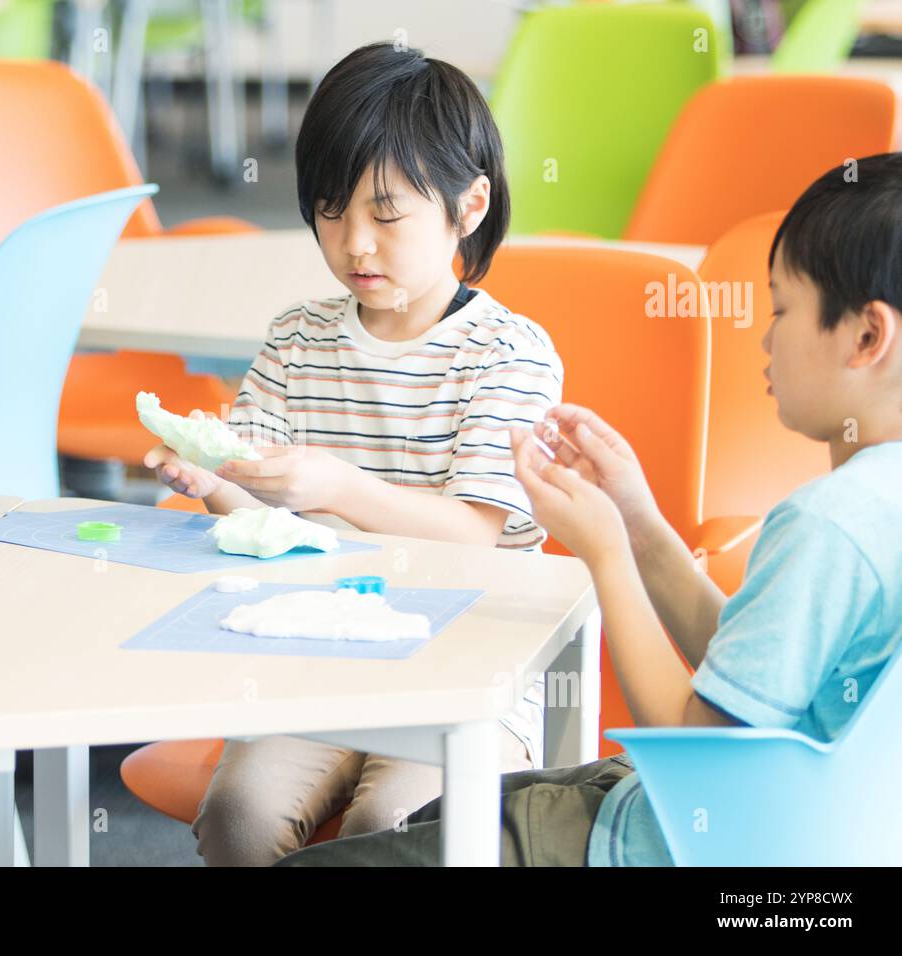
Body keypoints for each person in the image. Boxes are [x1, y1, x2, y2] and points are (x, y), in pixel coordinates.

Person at [277, 152, 902, 865]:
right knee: (427, 815)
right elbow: (752, 675)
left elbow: (695, 747)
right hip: (789, 842)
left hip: (663, 843)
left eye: (783, 308)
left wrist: (604, 553)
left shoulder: (828, 525)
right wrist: (640, 527)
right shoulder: (874, 510)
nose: (764, 336)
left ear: (866, 336)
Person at [145, 42, 563, 865]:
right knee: (238, 812)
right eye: (331, 210)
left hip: (466, 669)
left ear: (468, 206)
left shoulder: (509, 354)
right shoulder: (298, 339)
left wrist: (336, 484)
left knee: (395, 832)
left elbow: (478, 532)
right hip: (316, 654)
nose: (354, 243)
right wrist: (213, 481)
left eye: (387, 213)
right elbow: (269, 511)